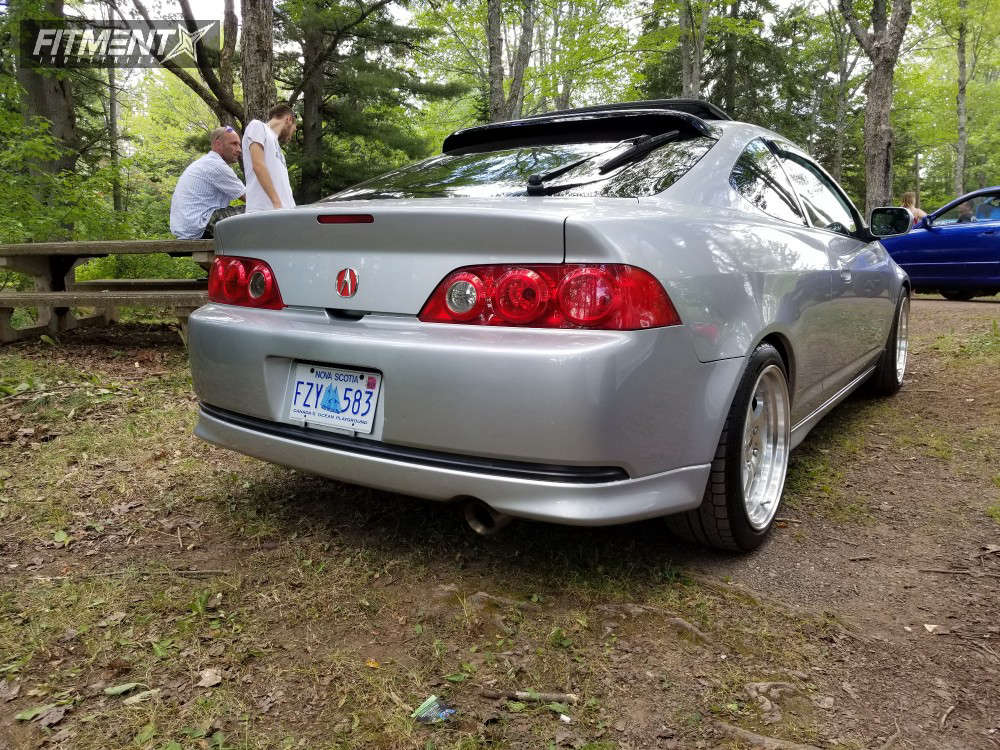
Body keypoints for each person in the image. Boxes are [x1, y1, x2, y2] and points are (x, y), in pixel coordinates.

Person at [169, 126, 246, 239]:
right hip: (199, 226)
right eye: (234, 144)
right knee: (258, 213)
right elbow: (249, 198)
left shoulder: (206, 162)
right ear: (218, 144)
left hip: (188, 228)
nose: (239, 149)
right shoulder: (216, 165)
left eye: (239, 145)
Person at [242, 103, 297, 212]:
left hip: (283, 213)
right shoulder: (257, 126)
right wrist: (277, 203)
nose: (291, 136)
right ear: (289, 119)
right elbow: (258, 165)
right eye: (294, 130)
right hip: (265, 211)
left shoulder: (277, 147)